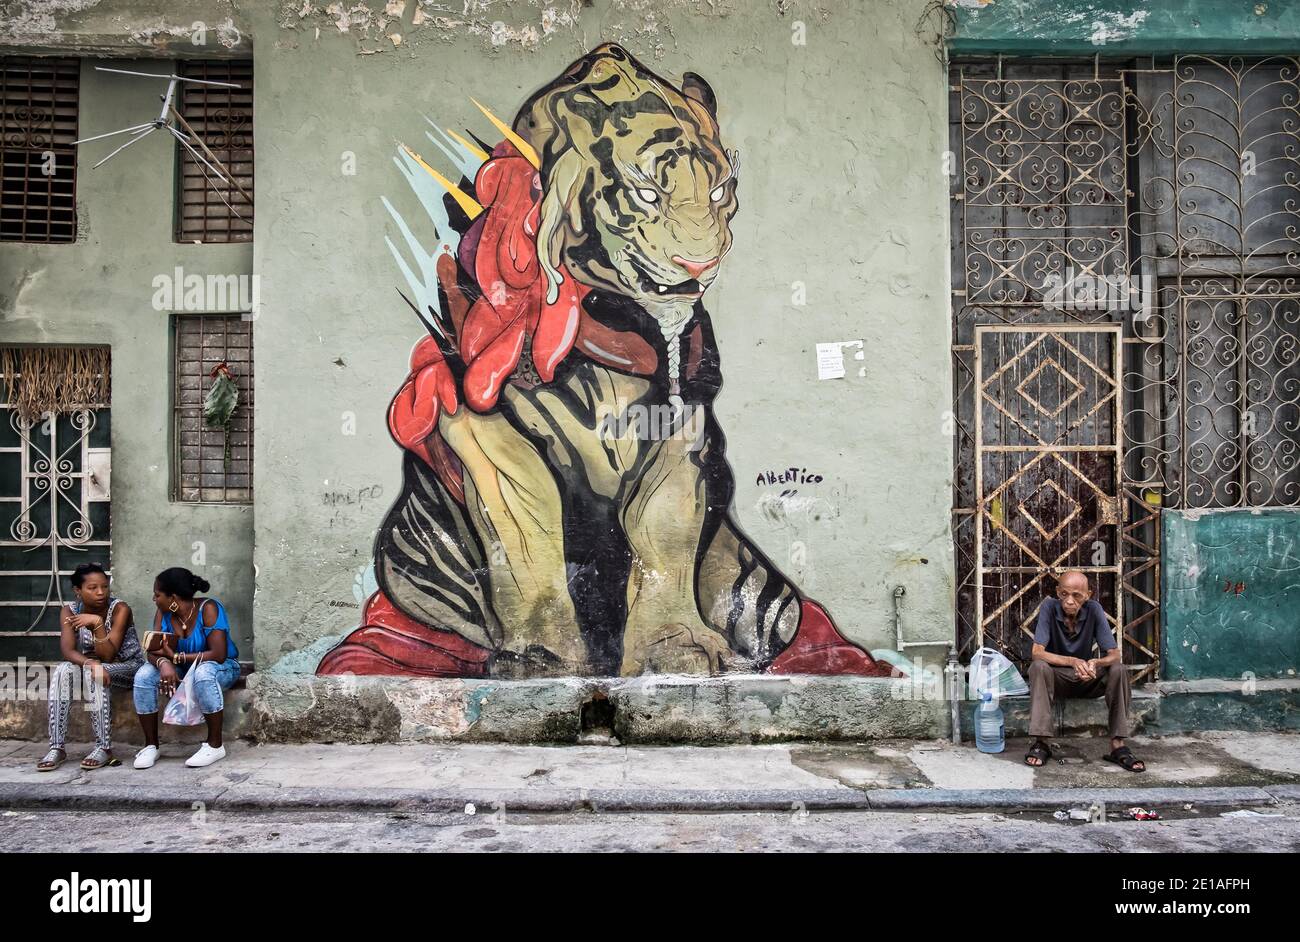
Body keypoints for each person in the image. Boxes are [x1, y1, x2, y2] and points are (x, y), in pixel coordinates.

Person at [1024, 570, 1145, 772]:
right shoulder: (1048, 607)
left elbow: (1114, 655)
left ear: (1088, 595)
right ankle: (1041, 742)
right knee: (1038, 667)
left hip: (1088, 678)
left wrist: (1095, 663)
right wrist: (1072, 661)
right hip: (1057, 679)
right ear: (1057, 592)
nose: (1069, 601)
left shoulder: (1094, 609)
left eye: (1077, 596)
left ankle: (1118, 745)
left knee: (1118, 669)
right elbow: (1037, 652)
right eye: (1064, 594)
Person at [38, 563, 143, 771]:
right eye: (92, 588)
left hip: (128, 667)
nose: (100, 592)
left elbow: (108, 654)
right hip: (94, 668)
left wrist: (96, 623)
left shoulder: (120, 609)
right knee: (63, 670)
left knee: (93, 673)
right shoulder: (69, 610)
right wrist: (90, 662)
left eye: (104, 587)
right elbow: (68, 650)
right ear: (78, 590)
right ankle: (57, 747)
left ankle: (104, 747)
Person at [132, 568, 241, 769]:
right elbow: (152, 650)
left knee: (203, 672)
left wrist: (175, 657)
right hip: (182, 669)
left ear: (172, 597)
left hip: (222, 667)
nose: (154, 599)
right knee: (144, 675)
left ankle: (215, 745)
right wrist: (165, 664)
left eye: (157, 595)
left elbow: (218, 654)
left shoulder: (208, 608)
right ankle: (150, 746)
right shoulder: (163, 614)